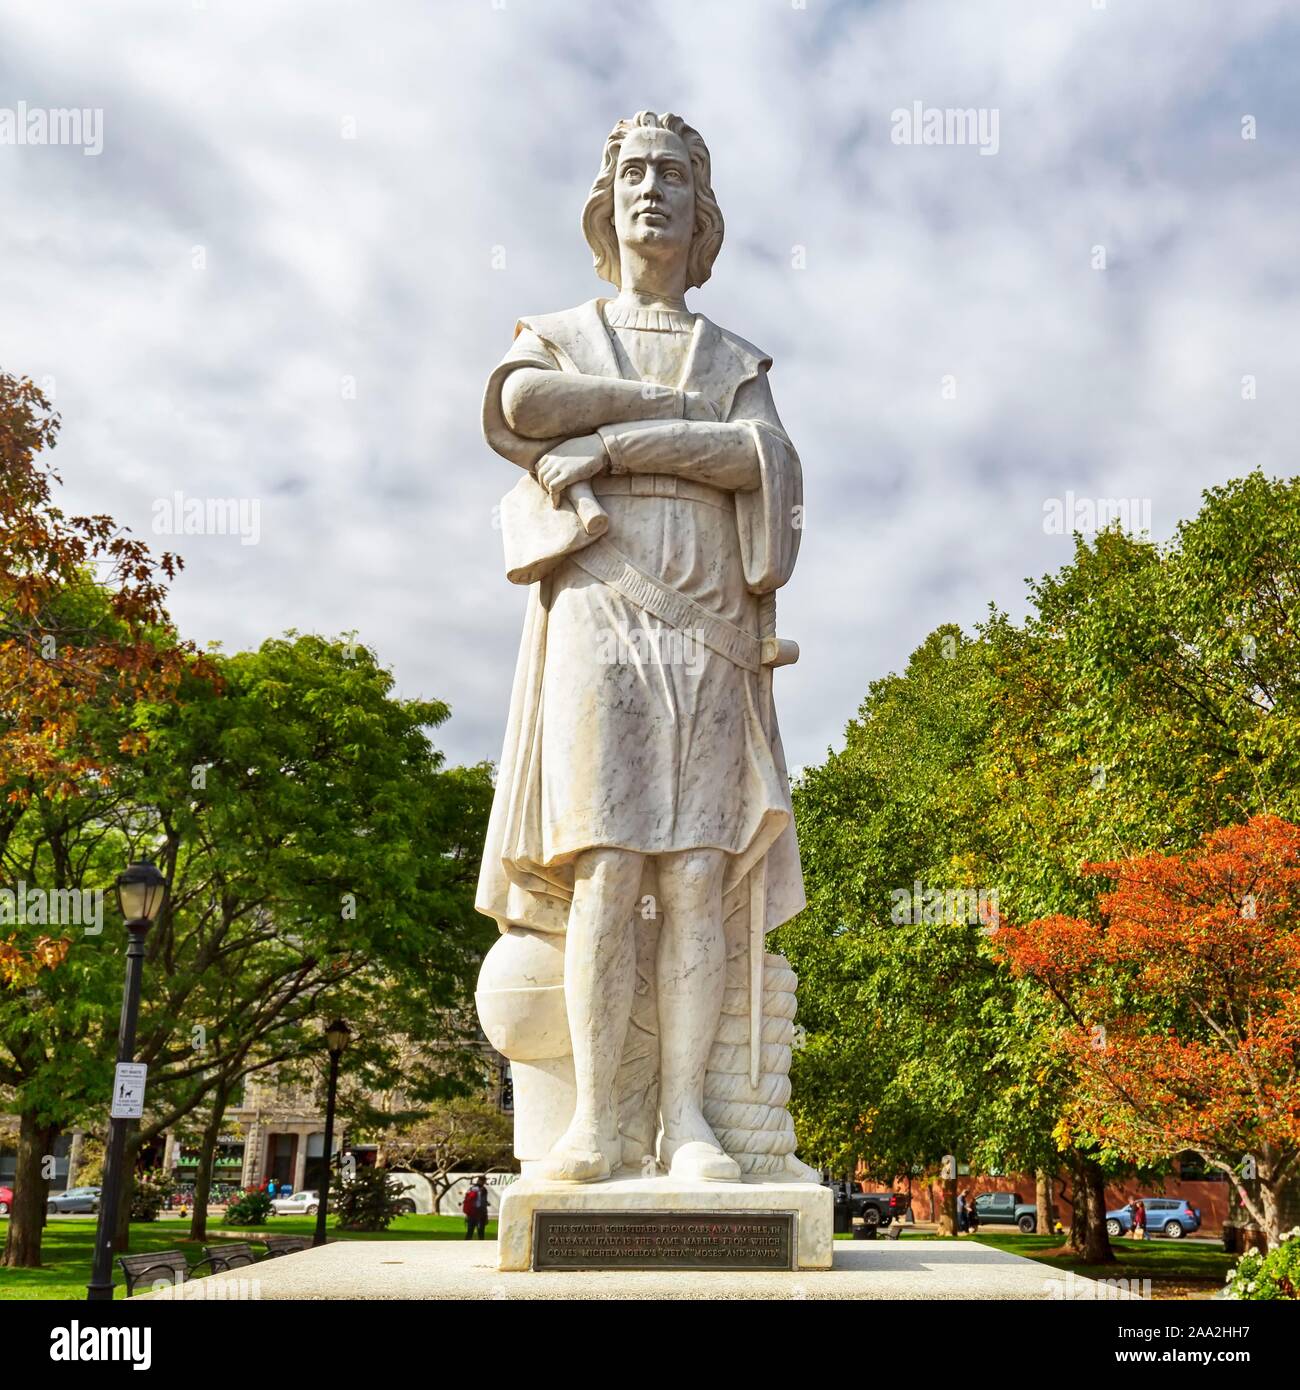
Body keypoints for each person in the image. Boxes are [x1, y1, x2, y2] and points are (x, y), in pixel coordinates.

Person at [475, 109, 805, 1184]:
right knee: (608, 868)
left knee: (699, 871)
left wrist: (612, 444)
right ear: (606, 202)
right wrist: (664, 408)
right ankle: (596, 1122)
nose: (652, 189)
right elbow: (522, 404)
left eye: (673, 174)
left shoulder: (734, 357)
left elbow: (762, 462)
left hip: (708, 620)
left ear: (702, 210)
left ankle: (685, 1118)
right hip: (599, 611)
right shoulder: (560, 329)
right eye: (634, 173)